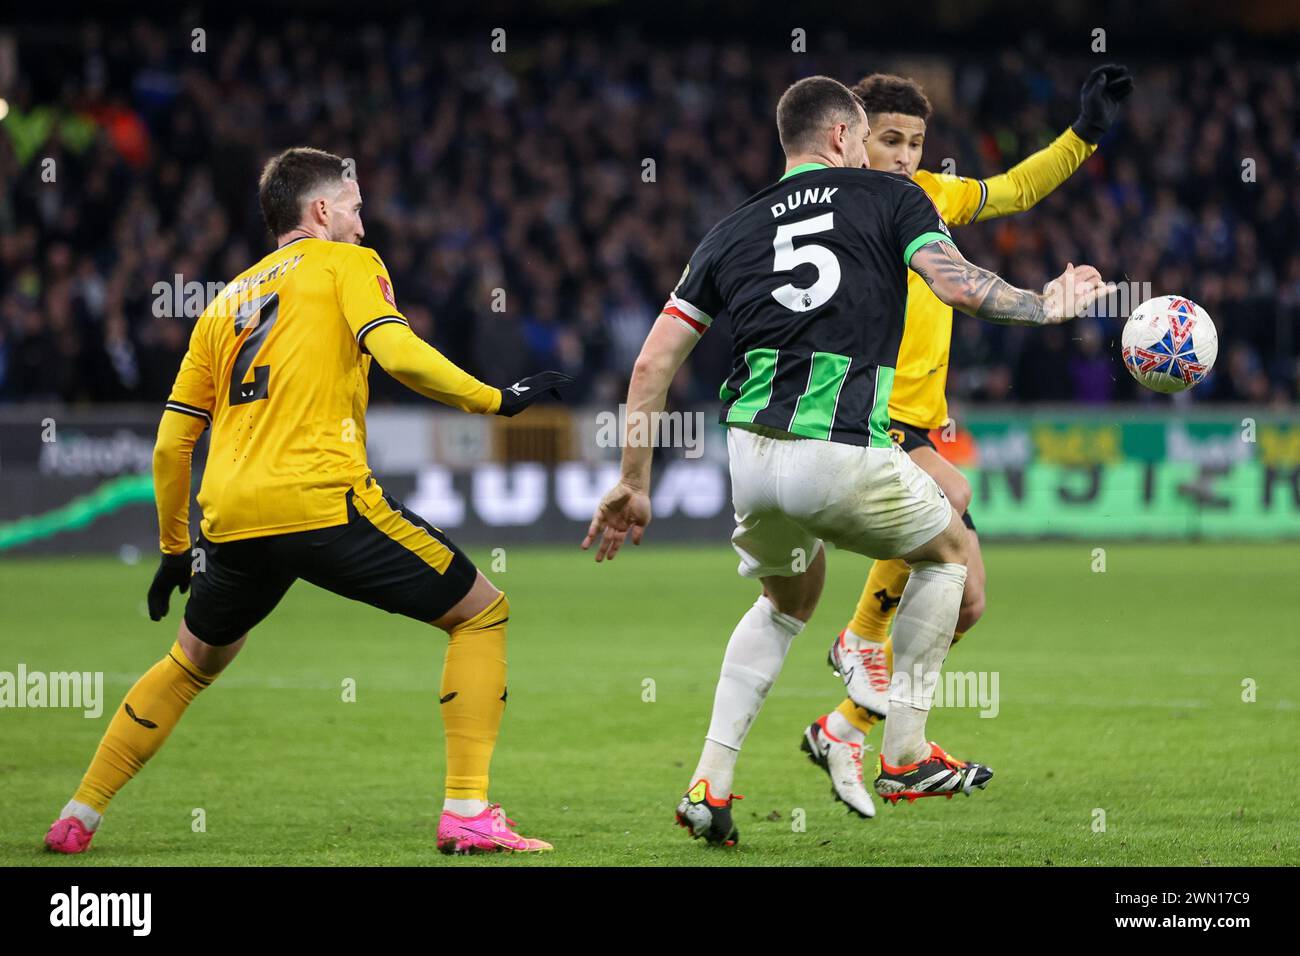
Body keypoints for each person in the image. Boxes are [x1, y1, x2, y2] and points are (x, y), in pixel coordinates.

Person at [582, 77, 1110, 844]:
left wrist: (633, 481)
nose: (877, 154)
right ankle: (904, 750)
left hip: (750, 459)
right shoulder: (892, 199)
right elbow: (956, 285)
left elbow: (651, 363)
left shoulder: (731, 228)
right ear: (841, 137)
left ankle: (709, 785)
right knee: (949, 547)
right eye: (869, 138)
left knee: (785, 601)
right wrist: (1044, 305)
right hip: (839, 449)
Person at [44, 147, 570, 856]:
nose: (362, 223)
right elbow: (398, 352)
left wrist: (174, 549)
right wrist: (495, 399)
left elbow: (171, 445)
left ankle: (79, 814)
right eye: (354, 208)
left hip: (232, 518)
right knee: (482, 614)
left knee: (192, 661)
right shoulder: (348, 264)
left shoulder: (223, 303)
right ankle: (467, 811)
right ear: (321, 210)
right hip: (322, 500)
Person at [804, 65, 1134, 818]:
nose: (903, 156)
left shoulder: (928, 198)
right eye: (889, 140)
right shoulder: (838, 210)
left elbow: (1013, 189)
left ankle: (848, 729)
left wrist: (1084, 133)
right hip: (868, 414)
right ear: (850, 138)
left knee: (968, 602)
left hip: (921, 423)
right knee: (948, 494)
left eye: (914, 143)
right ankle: (860, 648)